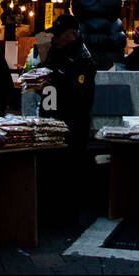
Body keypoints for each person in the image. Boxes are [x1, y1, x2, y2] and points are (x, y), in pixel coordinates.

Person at [37, 13, 97, 226]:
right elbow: (45, 82)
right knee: (49, 168)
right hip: (49, 119)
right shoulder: (55, 52)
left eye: (58, 35)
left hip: (72, 124)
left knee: (68, 170)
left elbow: (76, 95)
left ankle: (65, 218)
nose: (54, 39)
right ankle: (48, 213)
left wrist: (49, 87)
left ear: (71, 35)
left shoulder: (82, 59)